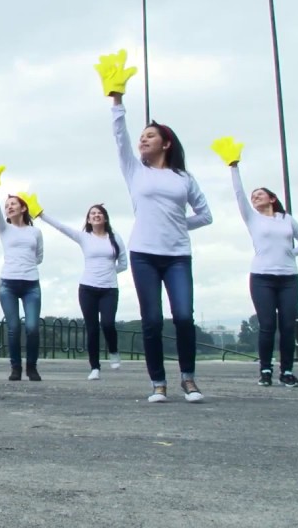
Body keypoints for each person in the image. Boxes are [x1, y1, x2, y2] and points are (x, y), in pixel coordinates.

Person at [96, 50, 212, 403]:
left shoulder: (183, 177)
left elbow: (205, 215)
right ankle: (158, 383)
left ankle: (188, 379)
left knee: (184, 316)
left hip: (177, 255)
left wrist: (177, 226)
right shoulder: (135, 171)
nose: (143, 139)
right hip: (144, 254)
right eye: (142, 136)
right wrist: (116, 98)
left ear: (166, 142)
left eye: (150, 136)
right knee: (151, 320)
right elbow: (119, 136)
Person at [212, 137, 298, 388]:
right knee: (267, 325)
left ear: (271, 198)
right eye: (254, 195)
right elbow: (238, 194)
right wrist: (233, 166)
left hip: (289, 277)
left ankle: (287, 371)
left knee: (288, 326)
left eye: (260, 194)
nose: (255, 197)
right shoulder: (253, 219)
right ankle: (265, 369)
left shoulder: (286, 219)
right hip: (262, 277)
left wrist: (292, 254)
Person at [37, 202, 128, 380]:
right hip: (87, 288)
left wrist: (109, 272)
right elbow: (61, 227)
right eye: (92, 213)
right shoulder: (84, 237)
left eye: (99, 213)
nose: (96, 215)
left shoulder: (115, 238)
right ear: (88, 219)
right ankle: (95, 367)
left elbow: (124, 264)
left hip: (109, 289)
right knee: (92, 329)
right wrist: (42, 215)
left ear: (105, 218)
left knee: (108, 324)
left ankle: (114, 351)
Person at [0, 157, 45, 381]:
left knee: (32, 327)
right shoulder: (4, 229)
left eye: (13, 203)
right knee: (13, 327)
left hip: (31, 284)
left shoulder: (35, 233)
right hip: (8, 284)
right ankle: (15, 367)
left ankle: (31, 366)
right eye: (8, 206)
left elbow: (39, 257)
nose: (9, 207)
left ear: (23, 207)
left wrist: (27, 266)